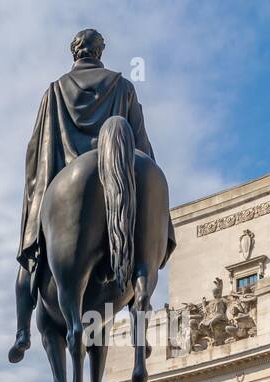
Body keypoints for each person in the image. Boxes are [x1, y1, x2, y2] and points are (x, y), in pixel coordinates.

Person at [9, 27, 173, 363]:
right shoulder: (124, 87)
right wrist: (159, 212)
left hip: (66, 193)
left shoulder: (54, 92)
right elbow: (140, 144)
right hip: (125, 179)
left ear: (75, 52)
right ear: (100, 52)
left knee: (30, 253)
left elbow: (36, 154)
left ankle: (22, 331)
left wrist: (37, 200)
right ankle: (141, 301)